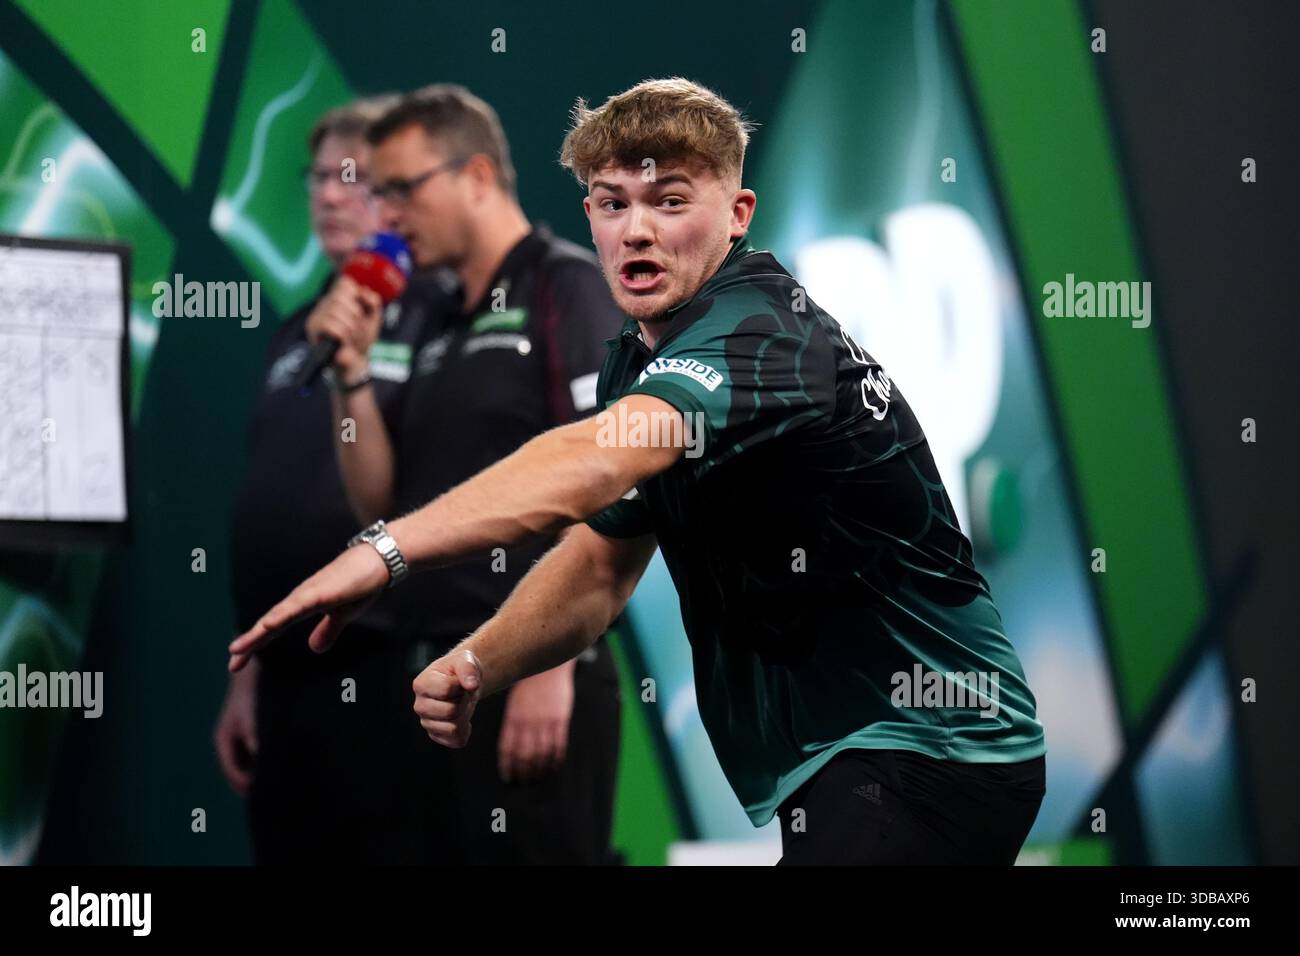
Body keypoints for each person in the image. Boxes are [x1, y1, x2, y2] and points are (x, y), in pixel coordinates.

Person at [230, 77, 1047, 865]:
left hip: (939, 740)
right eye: (614, 204)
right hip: (840, 755)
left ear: (737, 213)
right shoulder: (640, 358)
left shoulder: (764, 328)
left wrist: (384, 550)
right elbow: (597, 565)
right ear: (590, 214)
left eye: (669, 201)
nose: (637, 231)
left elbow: (590, 462)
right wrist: (481, 661)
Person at [297, 84, 627, 864]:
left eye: (400, 189)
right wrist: (350, 378)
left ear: (476, 176)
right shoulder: (434, 318)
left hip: (530, 667)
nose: (386, 214)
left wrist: (555, 662)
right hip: (431, 679)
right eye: (375, 193)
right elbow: (382, 504)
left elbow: (612, 477)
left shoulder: (563, 284)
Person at [215, 97, 460, 864]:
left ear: (395, 194)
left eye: (350, 178)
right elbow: (274, 502)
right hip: (285, 679)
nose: (326, 195)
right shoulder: (297, 334)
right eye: (318, 177)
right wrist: (248, 678)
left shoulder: (439, 318)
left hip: (391, 668)